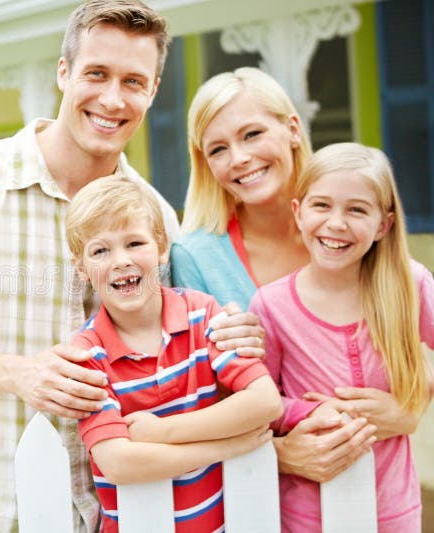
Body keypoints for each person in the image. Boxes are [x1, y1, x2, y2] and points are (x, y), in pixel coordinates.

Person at [0, 2, 266, 531]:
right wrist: (18, 374)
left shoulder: (157, 224)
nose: (111, 98)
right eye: (96, 74)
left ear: (152, 92)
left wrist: (235, 331)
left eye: (133, 81)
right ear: (63, 73)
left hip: (125, 513)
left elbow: (187, 352)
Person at [169, 67, 377, 484]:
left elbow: (407, 332)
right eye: (218, 149)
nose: (239, 159)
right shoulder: (194, 255)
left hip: (375, 478)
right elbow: (200, 399)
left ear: (293, 129)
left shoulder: (352, 226)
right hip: (259, 496)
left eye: (252, 134)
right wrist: (280, 454)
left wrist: (406, 409)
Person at [66, 176, 281, 532]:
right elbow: (120, 463)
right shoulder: (87, 355)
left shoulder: (201, 314)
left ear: (162, 246)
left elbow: (265, 402)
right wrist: (222, 447)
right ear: (81, 268)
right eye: (100, 251)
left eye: (134, 243)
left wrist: (162, 431)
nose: (121, 261)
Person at [249, 142, 434, 532]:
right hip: (305, 515)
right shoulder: (271, 305)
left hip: (394, 512)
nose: (336, 223)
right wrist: (309, 411)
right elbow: (258, 402)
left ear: (383, 225)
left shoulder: (410, 285)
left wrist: (417, 397)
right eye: (322, 206)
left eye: (356, 209)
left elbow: (418, 391)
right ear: (298, 214)